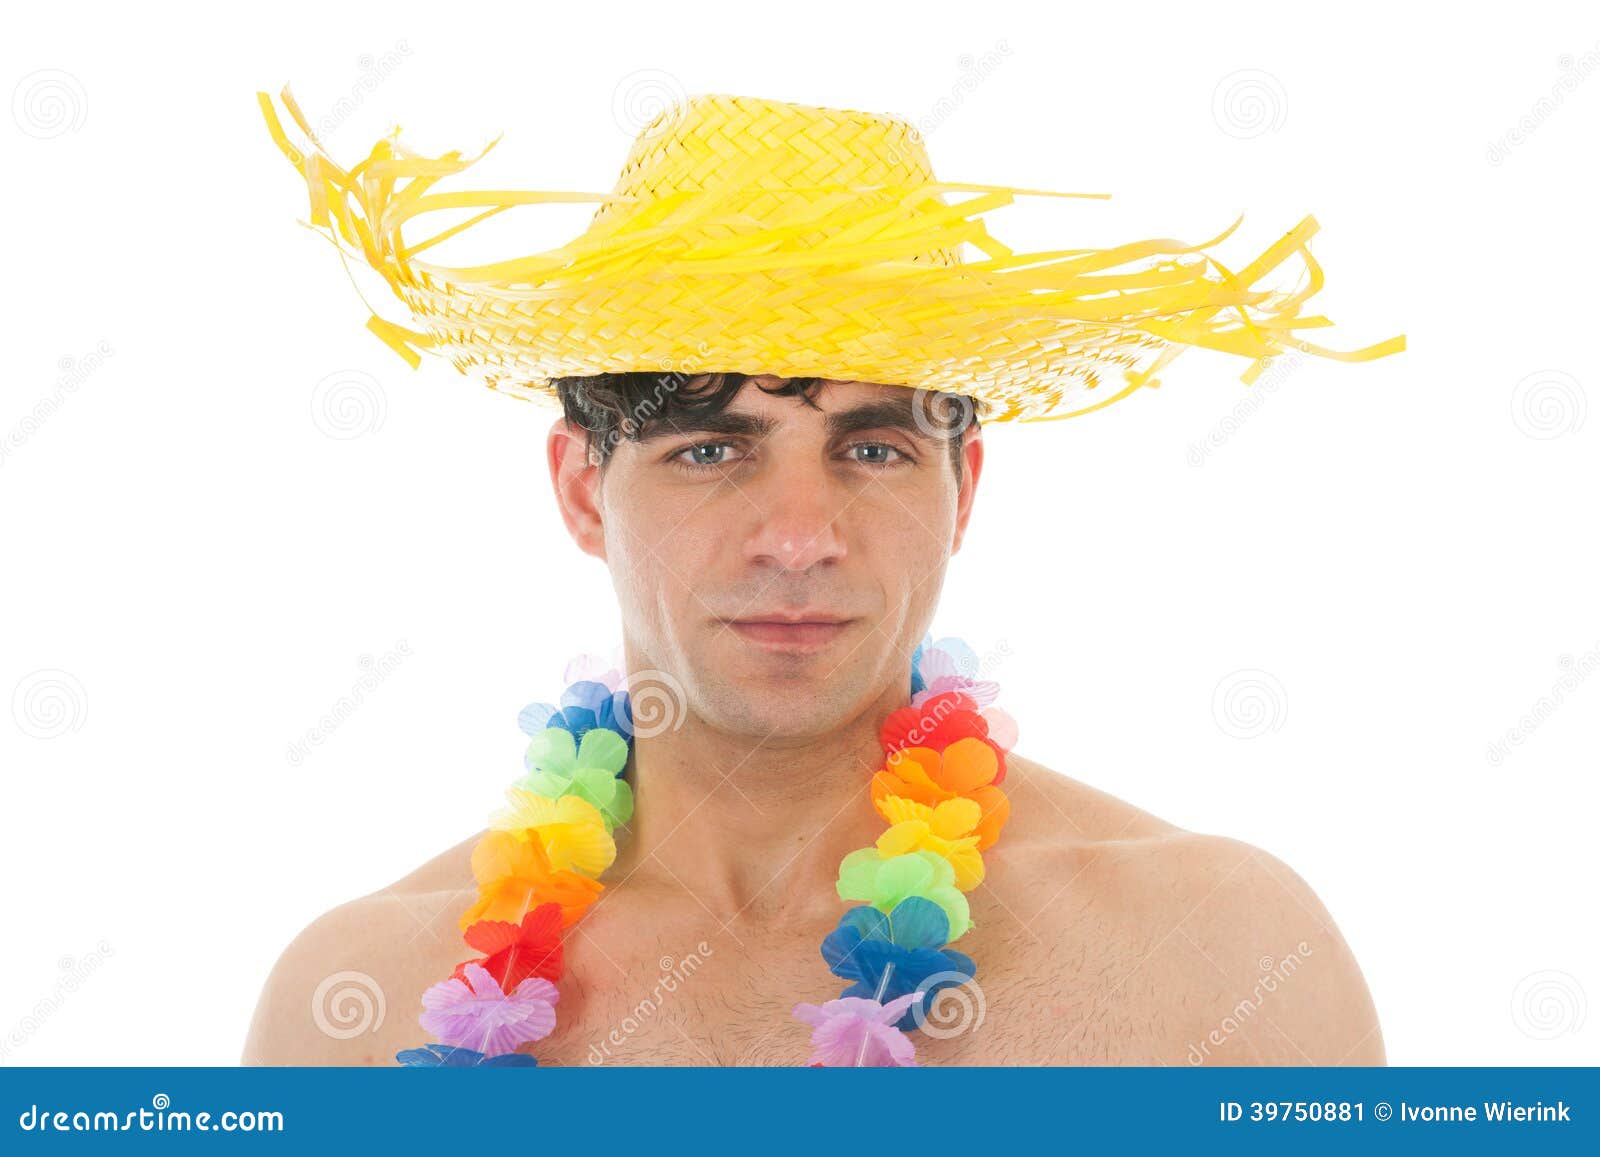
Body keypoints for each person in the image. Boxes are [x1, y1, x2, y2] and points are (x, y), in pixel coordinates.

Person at [244, 89, 1399, 1066]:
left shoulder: (1223, 961)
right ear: (583, 489)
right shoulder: (355, 1005)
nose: (798, 538)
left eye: (872, 449)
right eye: (711, 449)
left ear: (963, 489)